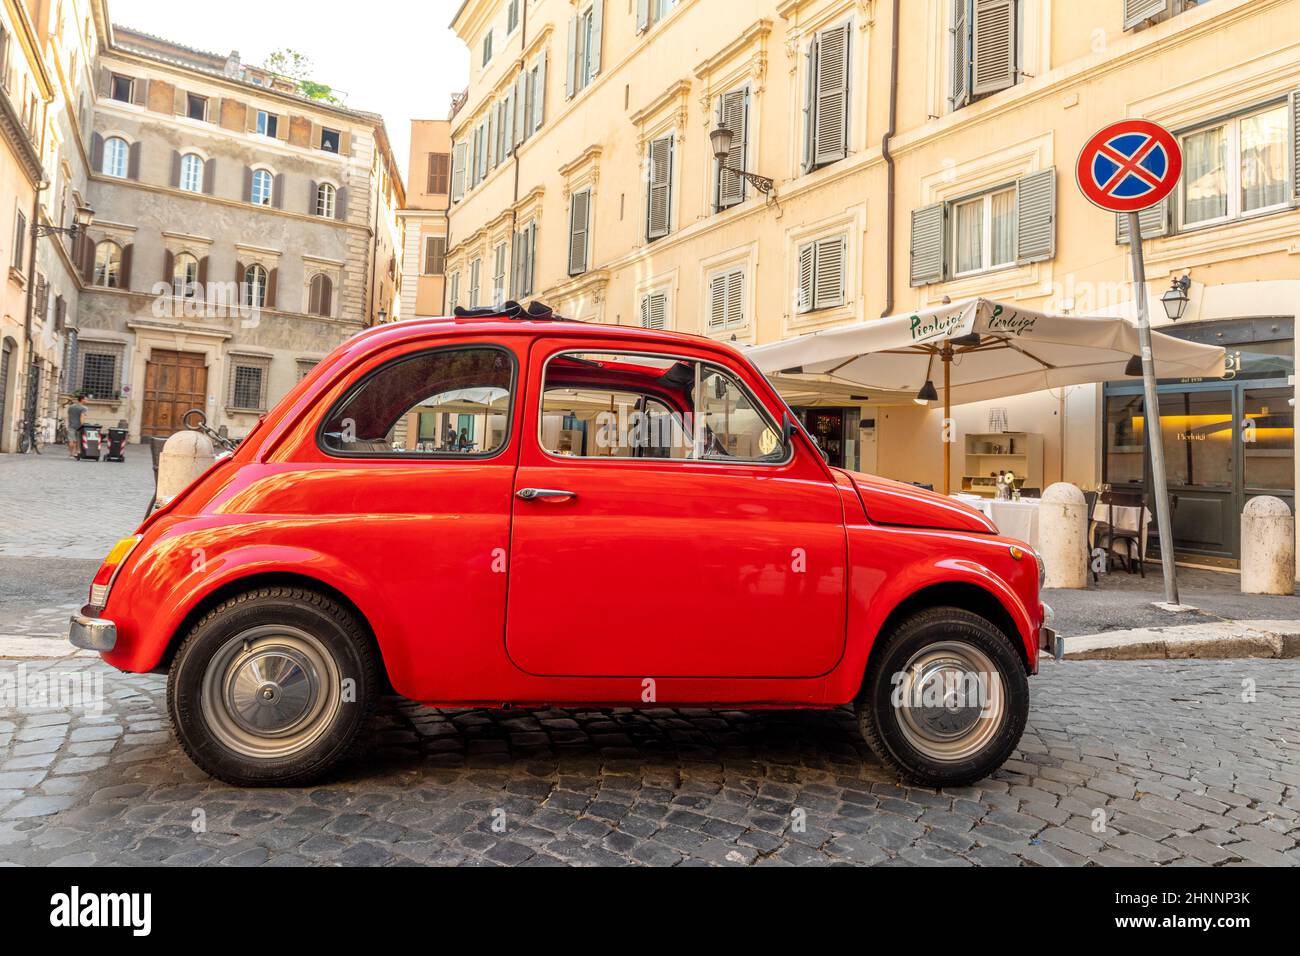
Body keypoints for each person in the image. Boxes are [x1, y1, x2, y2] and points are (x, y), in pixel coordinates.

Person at [66, 393, 89, 459]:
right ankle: (76, 453)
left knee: (71, 440)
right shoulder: (84, 408)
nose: (87, 400)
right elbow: (82, 417)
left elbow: (69, 415)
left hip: (71, 425)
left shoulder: (71, 407)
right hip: (79, 426)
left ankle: (71, 454)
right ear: (82, 400)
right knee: (77, 440)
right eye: (86, 399)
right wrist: (82, 425)